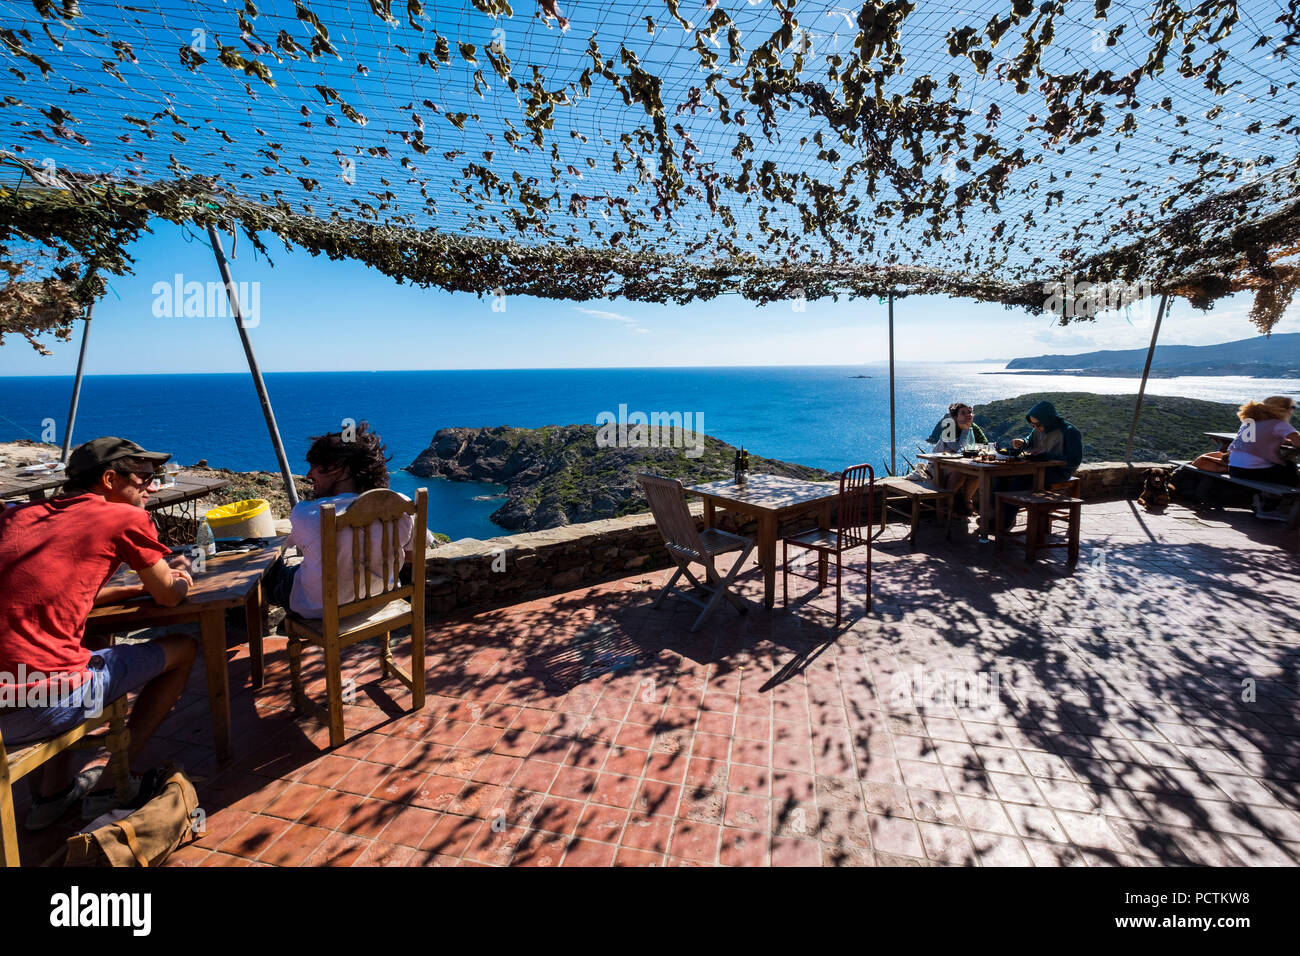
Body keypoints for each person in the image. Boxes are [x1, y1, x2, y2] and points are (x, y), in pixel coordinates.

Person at [0, 437, 197, 828]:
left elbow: (57, 591)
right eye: (143, 476)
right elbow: (169, 596)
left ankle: (51, 797)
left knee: (88, 643)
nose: (151, 486)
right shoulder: (121, 518)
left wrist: (131, 588)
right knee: (183, 649)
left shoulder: (15, 516)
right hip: (40, 704)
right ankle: (111, 785)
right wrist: (183, 578)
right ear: (109, 479)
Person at [267, 422, 429, 618]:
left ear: (337, 468)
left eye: (314, 468)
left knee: (269, 574)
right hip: (379, 598)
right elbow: (412, 554)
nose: (309, 475)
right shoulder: (401, 505)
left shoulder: (308, 514)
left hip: (319, 609)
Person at [999, 400, 1084, 529]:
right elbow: (1030, 440)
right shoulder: (1038, 429)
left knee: (1020, 482)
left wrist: (1047, 456)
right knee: (1000, 478)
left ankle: (1004, 523)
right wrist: (1023, 442)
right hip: (1038, 468)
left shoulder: (1069, 432)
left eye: (1038, 424)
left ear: (1048, 419)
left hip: (1059, 471)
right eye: (1032, 425)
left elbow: (1074, 460)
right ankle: (994, 516)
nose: (1035, 428)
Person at [1226, 396, 1299, 516]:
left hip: (1234, 469)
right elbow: (1298, 442)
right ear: (1284, 409)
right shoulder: (1279, 423)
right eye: (1292, 408)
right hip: (1253, 471)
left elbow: (1259, 439)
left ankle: (1264, 499)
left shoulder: (1250, 422)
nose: (1292, 411)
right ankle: (1269, 507)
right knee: (1290, 469)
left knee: (1282, 469)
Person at [926, 402, 988, 515]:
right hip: (938, 466)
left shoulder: (974, 427)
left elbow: (985, 445)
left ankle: (963, 503)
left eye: (969, 412)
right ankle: (946, 506)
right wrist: (966, 430)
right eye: (963, 413)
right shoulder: (950, 427)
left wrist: (976, 444)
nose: (968, 415)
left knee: (976, 474)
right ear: (955, 417)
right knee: (959, 474)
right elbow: (959, 450)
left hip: (960, 464)